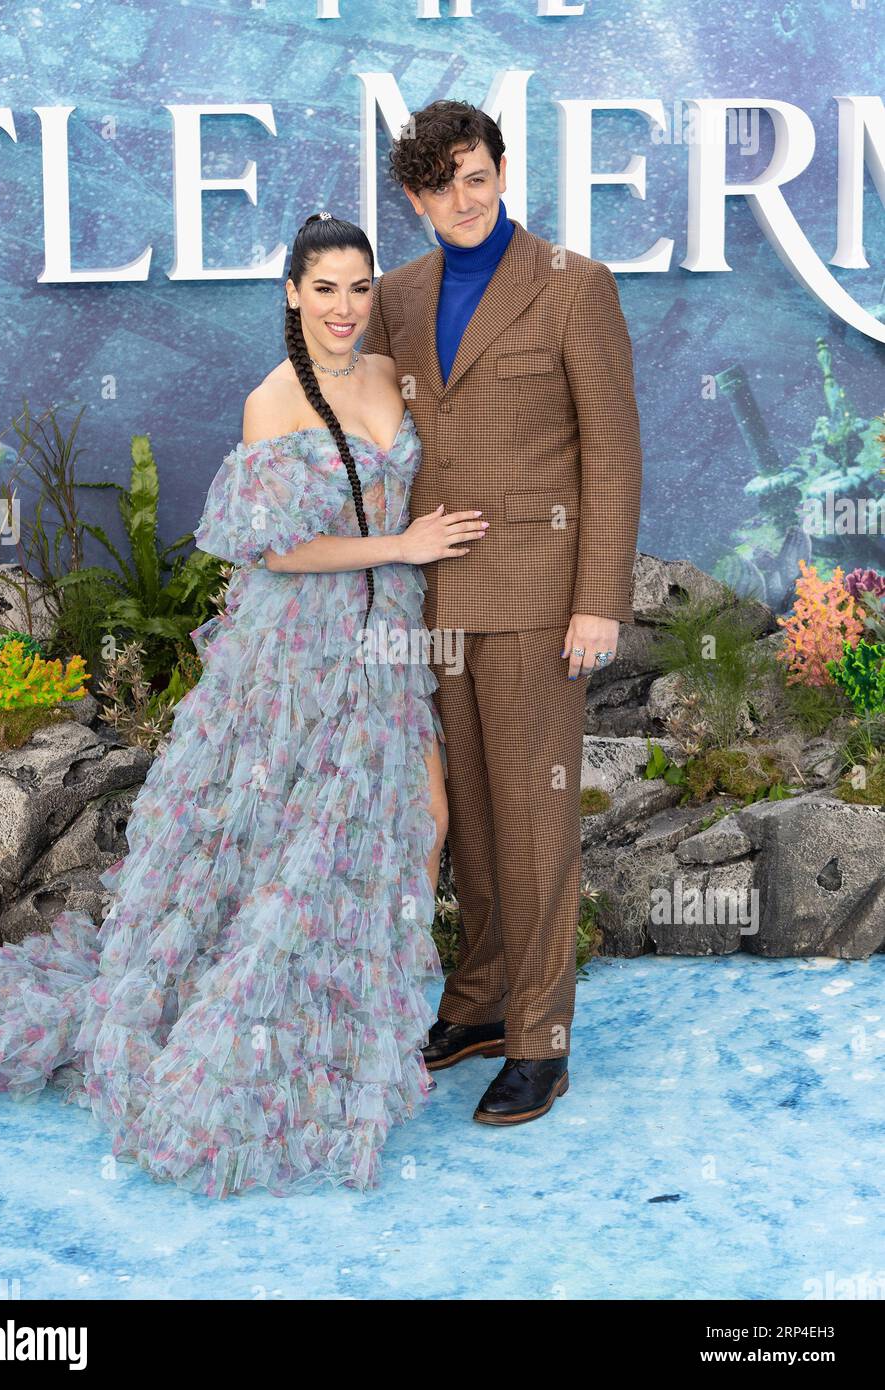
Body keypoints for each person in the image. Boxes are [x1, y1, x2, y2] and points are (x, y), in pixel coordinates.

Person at [0, 212, 490, 1197]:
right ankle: (289, 1052)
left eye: (359, 288)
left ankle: (362, 1024)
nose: (344, 307)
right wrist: (400, 548)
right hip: (297, 646)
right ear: (291, 293)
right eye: (325, 288)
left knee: (422, 822)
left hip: (389, 645)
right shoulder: (270, 402)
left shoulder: (386, 376)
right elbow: (275, 550)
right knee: (294, 851)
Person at [361, 100, 643, 1125]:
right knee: (469, 821)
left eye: (474, 175)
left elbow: (612, 454)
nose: (461, 199)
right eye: (440, 185)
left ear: (501, 169)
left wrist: (598, 603)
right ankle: (478, 1003)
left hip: (536, 602)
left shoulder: (575, 287)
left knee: (532, 825)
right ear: (413, 198)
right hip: (433, 600)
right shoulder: (395, 296)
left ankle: (540, 1041)